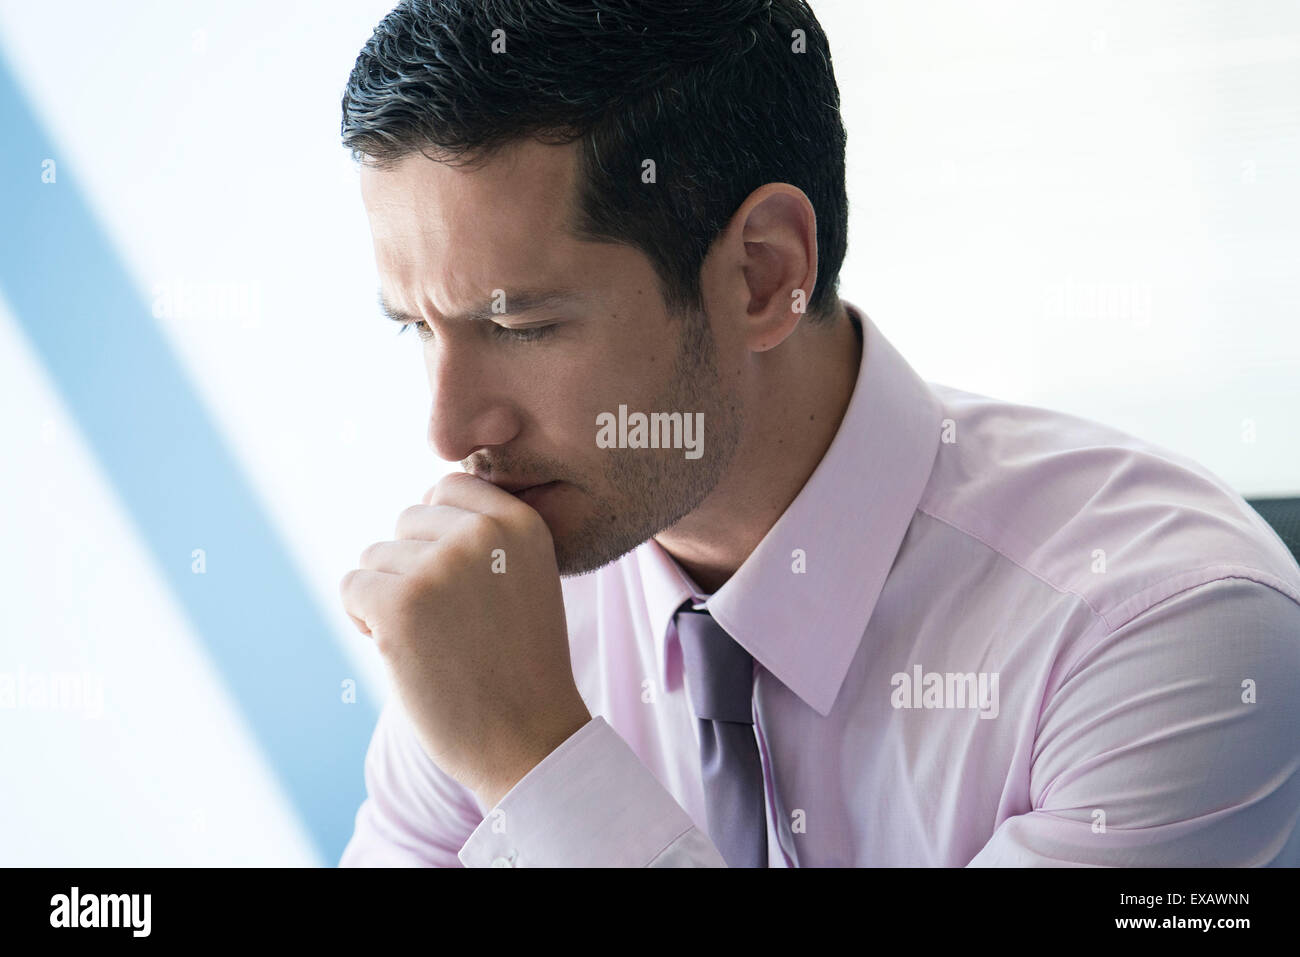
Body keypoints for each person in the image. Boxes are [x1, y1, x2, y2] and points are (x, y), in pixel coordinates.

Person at [335, 0, 1300, 866]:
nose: (450, 428)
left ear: (763, 275)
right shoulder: (497, 618)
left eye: (520, 326)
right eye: (417, 327)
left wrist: (535, 762)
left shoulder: (1171, 636)